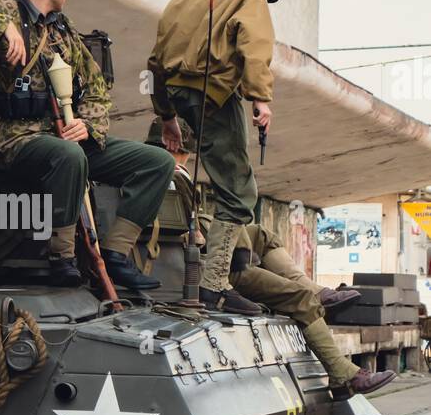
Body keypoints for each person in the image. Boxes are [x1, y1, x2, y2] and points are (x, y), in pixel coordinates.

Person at [0, 0, 174, 289]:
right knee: (68, 156)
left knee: (156, 161)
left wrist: (89, 125)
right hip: (18, 137)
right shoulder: (6, 10)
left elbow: (96, 88)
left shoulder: (63, 31)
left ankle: (115, 256)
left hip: (68, 134)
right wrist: (4, 26)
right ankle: (62, 256)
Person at [149, 121, 396, 395]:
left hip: (214, 256)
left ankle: (317, 291)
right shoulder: (168, 175)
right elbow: (185, 230)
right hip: (215, 269)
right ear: (182, 146)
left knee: (262, 235)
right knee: (300, 299)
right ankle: (342, 374)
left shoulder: (162, 171)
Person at [149, 0, 281, 315]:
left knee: (226, 182)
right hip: (214, 93)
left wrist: (166, 114)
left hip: (178, 91)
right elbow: (254, 43)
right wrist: (260, 98)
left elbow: (157, 59)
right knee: (240, 193)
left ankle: (225, 270)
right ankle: (214, 286)